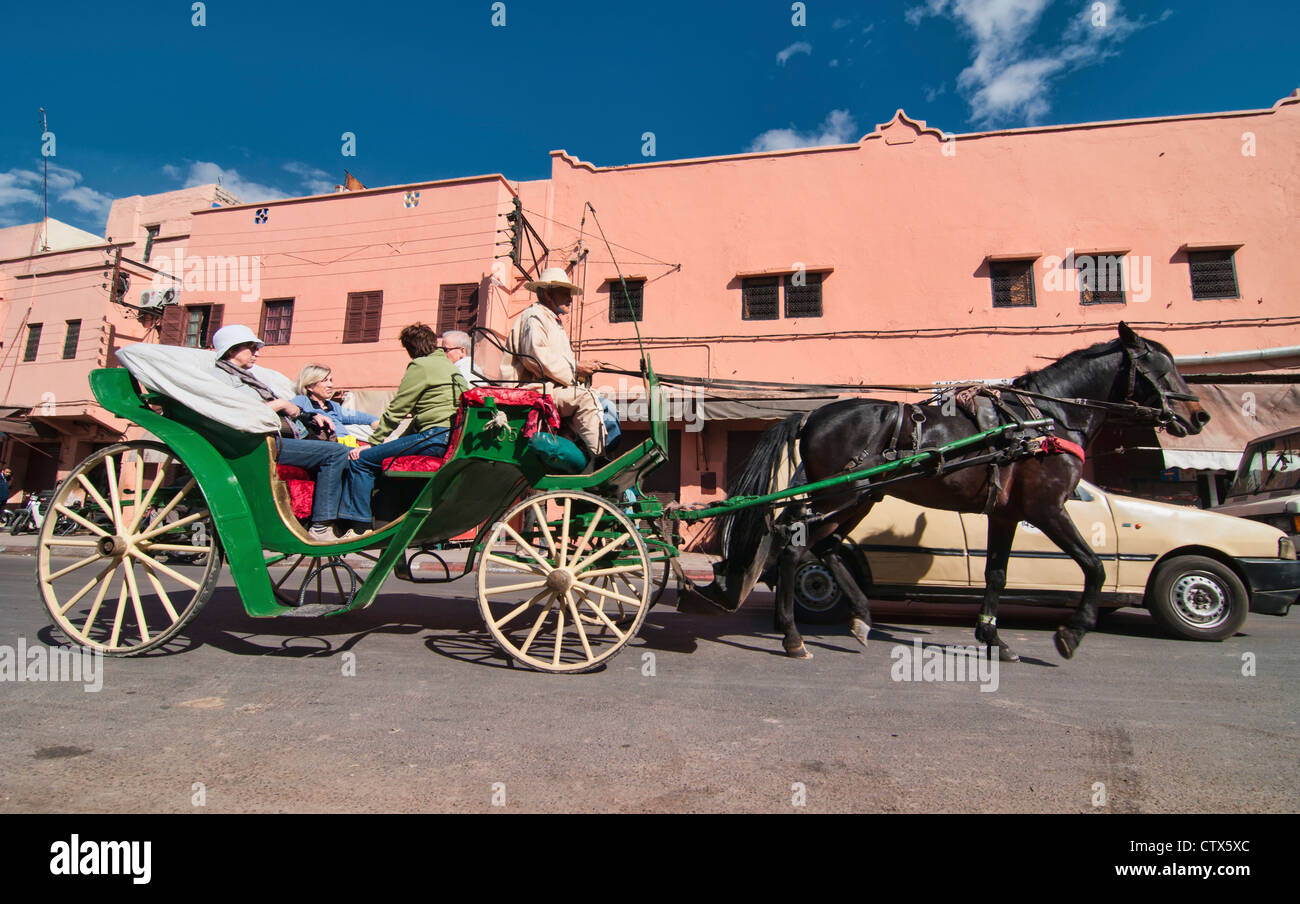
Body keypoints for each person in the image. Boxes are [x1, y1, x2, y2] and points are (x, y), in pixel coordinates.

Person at [210, 324, 358, 543]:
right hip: (259, 442)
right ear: (232, 350)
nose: (257, 353)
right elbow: (238, 414)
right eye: (251, 348)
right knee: (336, 453)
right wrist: (280, 405)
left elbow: (289, 409)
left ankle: (350, 517)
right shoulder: (224, 379)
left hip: (282, 435)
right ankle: (321, 526)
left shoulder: (247, 376)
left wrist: (310, 416)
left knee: (348, 451)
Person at [341, 323, 468, 529]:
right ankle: (388, 520)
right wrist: (393, 443)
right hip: (446, 437)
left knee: (360, 461)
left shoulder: (421, 366)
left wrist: (374, 442)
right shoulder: (449, 367)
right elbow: (421, 419)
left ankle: (358, 526)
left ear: (410, 350)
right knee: (387, 462)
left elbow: (397, 409)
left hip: (433, 438)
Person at [500, 267, 609, 458]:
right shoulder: (534, 317)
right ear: (548, 294)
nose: (570, 298)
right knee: (586, 399)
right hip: (533, 389)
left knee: (598, 398)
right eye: (565, 293)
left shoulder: (551, 320)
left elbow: (556, 360)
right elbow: (536, 356)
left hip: (549, 387)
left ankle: (580, 453)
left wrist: (581, 370)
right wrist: (576, 367)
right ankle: (597, 460)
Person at [291, 363, 380, 438]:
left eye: (331, 380)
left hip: (347, 446)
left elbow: (358, 416)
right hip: (327, 449)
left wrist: (374, 421)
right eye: (324, 381)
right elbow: (290, 411)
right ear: (309, 386)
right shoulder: (302, 401)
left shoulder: (334, 407)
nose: (330, 385)